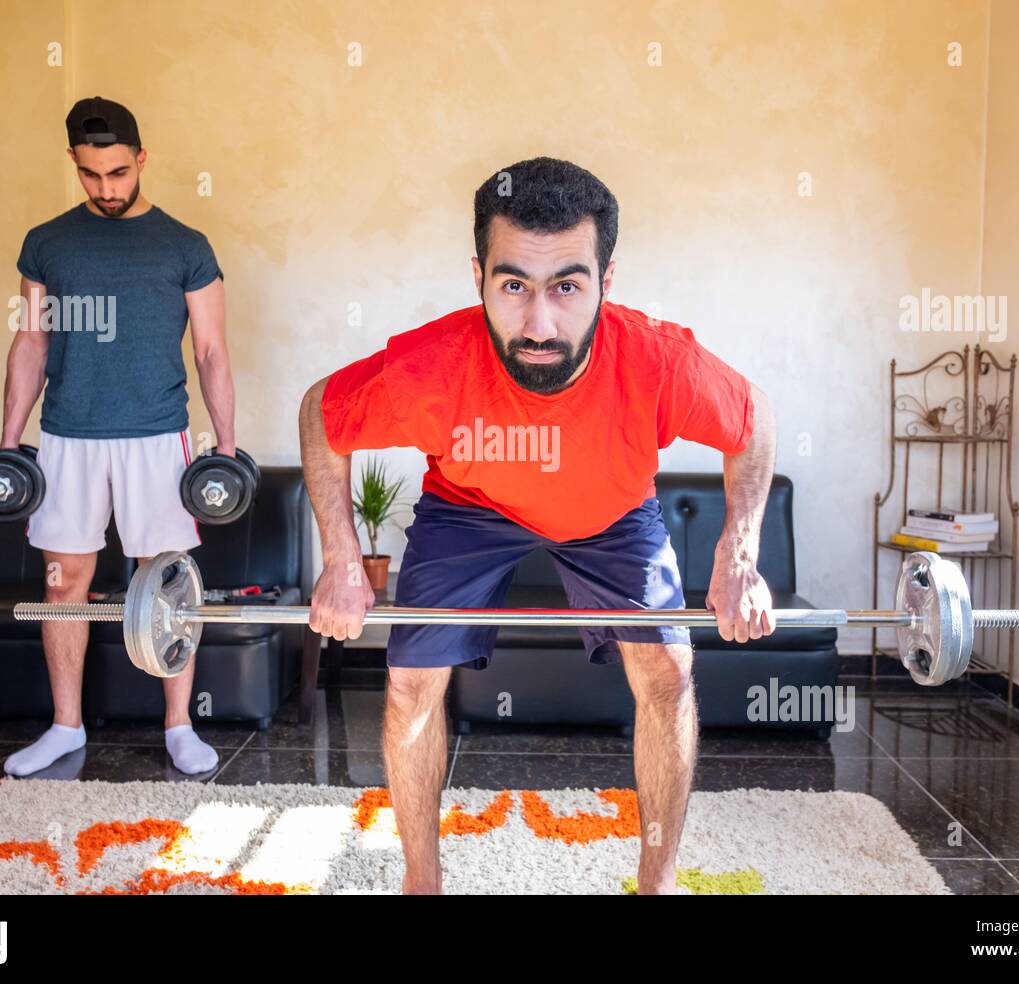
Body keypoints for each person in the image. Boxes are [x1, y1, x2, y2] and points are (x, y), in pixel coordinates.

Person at [298, 157, 777, 893]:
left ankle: (658, 882)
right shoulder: (432, 366)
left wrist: (738, 551)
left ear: (605, 283)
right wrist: (338, 555)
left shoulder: (656, 360)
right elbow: (320, 413)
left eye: (568, 287)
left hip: (610, 510)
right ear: (479, 276)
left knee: (670, 670)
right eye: (514, 285)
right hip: (469, 505)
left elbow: (753, 422)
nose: (540, 323)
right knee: (408, 683)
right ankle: (420, 881)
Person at [0, 97, 235, 777]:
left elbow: (213, 351)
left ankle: (179, 726)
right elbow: (30, 339)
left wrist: (224, 446)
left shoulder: (186, 245)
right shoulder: (46, 243)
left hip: (157, 437)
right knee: (62, 580)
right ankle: (66, 726)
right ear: (74, 164)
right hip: (68, 436)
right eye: (92, 175)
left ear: (142, 160)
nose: (106, 188)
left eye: (118, 172)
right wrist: (10, 443)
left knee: (164, 581)